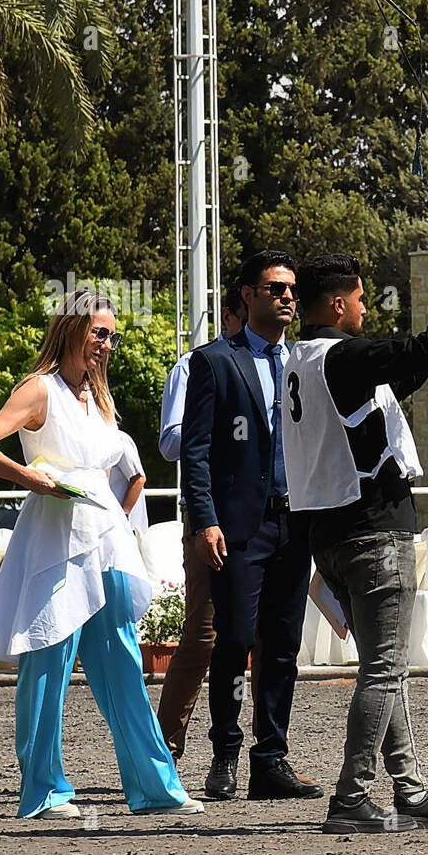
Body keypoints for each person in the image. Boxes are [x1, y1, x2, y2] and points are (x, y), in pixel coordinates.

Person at [288, 247, 428, 833]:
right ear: (338, 305)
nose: (365, 309)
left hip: (330, 533)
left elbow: (411, 368)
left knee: (381, 666)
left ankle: (409, 786)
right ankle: (352, 797)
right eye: (361, 300)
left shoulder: (301, 360)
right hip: (373, 532)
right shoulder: (344, 357)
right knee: (385, 670)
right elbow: (418, 350)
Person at [0, 290, 203, 819]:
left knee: (124, 661)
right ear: (71, 328)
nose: (107, 344)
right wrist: (31, 478)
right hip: (55, 540)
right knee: (48, 661)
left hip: (106, 538)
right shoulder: (38, 390)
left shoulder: (97, 398)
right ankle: (46, 789)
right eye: (99, 332)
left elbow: (123, 471)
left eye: (112, 335)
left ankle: (156, 786)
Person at [181, 252, 320, 801]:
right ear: (247, 295)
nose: (287, 297)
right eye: (274, 288)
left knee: (283, 644)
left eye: (291, 288)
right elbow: (195, 452)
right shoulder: (215, 362)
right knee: (234, 639)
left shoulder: (308, 361)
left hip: (296, 520)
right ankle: (224, 753)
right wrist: (205, 520)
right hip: (239, 527)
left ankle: (271, 759)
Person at [156, 286, 253, 761]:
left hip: (258, 513)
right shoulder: (196, 365)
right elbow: (173, 441)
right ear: (233, 314)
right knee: (203, 630)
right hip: (210, 513)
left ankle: (259, 752)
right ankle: (166, 745)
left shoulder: (271, 360)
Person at [109, 430, 149, 535]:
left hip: (126, 526)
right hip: (110, 523)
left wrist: (124, 514)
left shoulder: (119, 439)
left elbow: (139, 479)